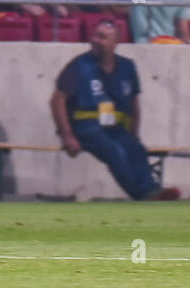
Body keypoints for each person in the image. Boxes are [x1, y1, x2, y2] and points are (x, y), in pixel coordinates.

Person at [50, 20, 180, 201]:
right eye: (95, 35)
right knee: (114, 151)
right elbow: (57, 100)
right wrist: (67, 135)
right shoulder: (79, 65)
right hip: (85, 128)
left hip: (114, 128)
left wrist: (133, 135)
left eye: (102, 37)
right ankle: (143, 195)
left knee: (136, 149)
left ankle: (151, 190)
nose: (95, 40)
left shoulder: (127, 67)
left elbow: (135, 106)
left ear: (115, 43)